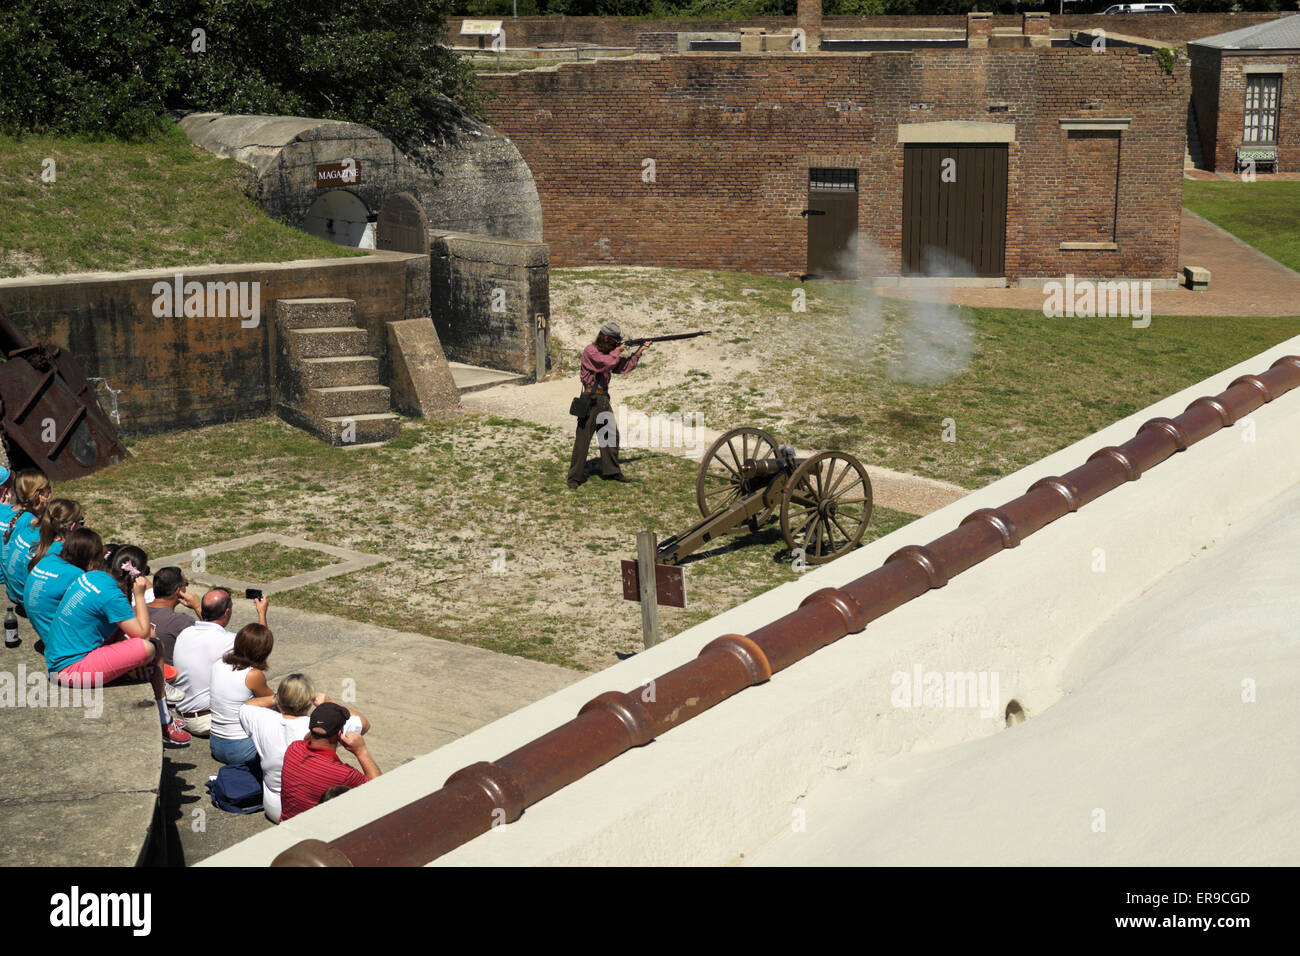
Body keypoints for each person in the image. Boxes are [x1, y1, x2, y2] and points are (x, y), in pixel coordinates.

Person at [43, 530, 191, 746]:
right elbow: (143, 634)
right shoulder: (112, 595)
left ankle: (162, 711)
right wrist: (139, 595)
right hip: (70, 670)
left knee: (138, 642)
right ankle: (164, 720)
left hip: (58, 660)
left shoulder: (93, 577)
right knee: (151, 647)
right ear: (137, 575)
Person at [239, 674, 370, 823]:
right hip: (307, 815)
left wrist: (280, 697)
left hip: (273, 807)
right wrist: (330, 704)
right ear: (309, 703)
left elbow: (247, 706)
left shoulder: (263, 720)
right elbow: (363, 724)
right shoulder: (320, 727)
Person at [172, 588, 269, 737]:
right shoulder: (229, 641)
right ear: (227, 613)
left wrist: (198, 607)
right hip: (206, 721)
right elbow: (261, 646)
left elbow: (211, 627)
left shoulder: (186, 633)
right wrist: (262, 613)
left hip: (180, 715)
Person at [566, 322, 651, 488]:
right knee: (582, 440)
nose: (616, 344)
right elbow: (606, 363)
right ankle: (574, 478)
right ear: (606, 338)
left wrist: (639, 351)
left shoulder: (610, 353)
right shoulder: (590, 351)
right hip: (590, 400)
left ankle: (611, 471)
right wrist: (618, 350)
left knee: (611, 436)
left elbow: (623, 367)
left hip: (603, 400)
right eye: (614, 341)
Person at [279, 702, 380, 822]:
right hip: (318, 834)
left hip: (287, 825)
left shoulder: (293, 749)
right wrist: (361, 752)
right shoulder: (344, 774)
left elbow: (306, 739)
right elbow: (379, 790)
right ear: (339, 734)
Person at [207, 623, 275, 766]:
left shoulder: (218, 664)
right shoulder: (253, 675)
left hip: (216, 744)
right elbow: (277, 702)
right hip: (242, 749)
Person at [24, 504, 89, 641]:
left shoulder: (45, 552)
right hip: (63, 642)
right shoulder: (69, 567)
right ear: (72, 527)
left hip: (45, 632)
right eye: (81, 522)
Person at [145, 567, 202, 703]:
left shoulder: (135, 610)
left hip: (143, 679)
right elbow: (214, 635)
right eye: (185, 585)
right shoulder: (181, 622)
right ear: (179, 591)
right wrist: (198, 607)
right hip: (171, 690)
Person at [2, 468, 52, 608]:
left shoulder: (6, 510)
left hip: (10, 583)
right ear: (38, 495)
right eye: (48, 489)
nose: (51, 493)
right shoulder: (31, 523)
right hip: (21, 592)